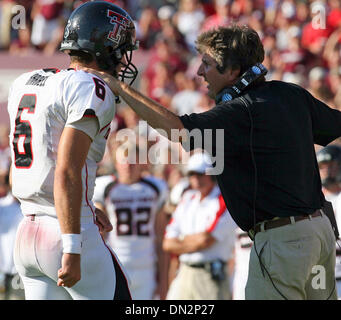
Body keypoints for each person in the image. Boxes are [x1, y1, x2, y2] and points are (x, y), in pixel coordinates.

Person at [83, 25, 341, 300]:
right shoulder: (291, 93)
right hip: (320, 233)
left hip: (282, 242)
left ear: (232, 71)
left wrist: (119, 86)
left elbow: (176, 130)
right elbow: (334, 125)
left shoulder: (239, 111)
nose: (199, 72)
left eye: (207, 64)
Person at [7, 1, 139, 300]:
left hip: (26, 234)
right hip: (66, 233)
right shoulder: (90, 86)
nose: (124, 61)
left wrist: (85, 202)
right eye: (123, 50)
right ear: (107, 47)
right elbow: (66, 169)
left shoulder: (28, 82)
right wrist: (72, 244)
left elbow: (30, 169)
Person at [93, 140, 168, 300]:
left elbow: (161, 238)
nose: (128, 165)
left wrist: (164, 280)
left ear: (142, 163)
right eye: (123, 160)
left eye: (133, 160)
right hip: (115, 263)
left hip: (145, 267)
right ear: (116, 161)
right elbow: (99, 233)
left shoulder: (156, 188)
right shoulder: (105, 187)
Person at [163, 152, 236, 300]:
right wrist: (193, 241)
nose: (195, 179)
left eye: (200, 174)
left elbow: (206, 240)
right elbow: (167, 243)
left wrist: (182, 241)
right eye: (191, 174)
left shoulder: (224, 200)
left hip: (209, 275)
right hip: (184, 272)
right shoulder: (187, 198)